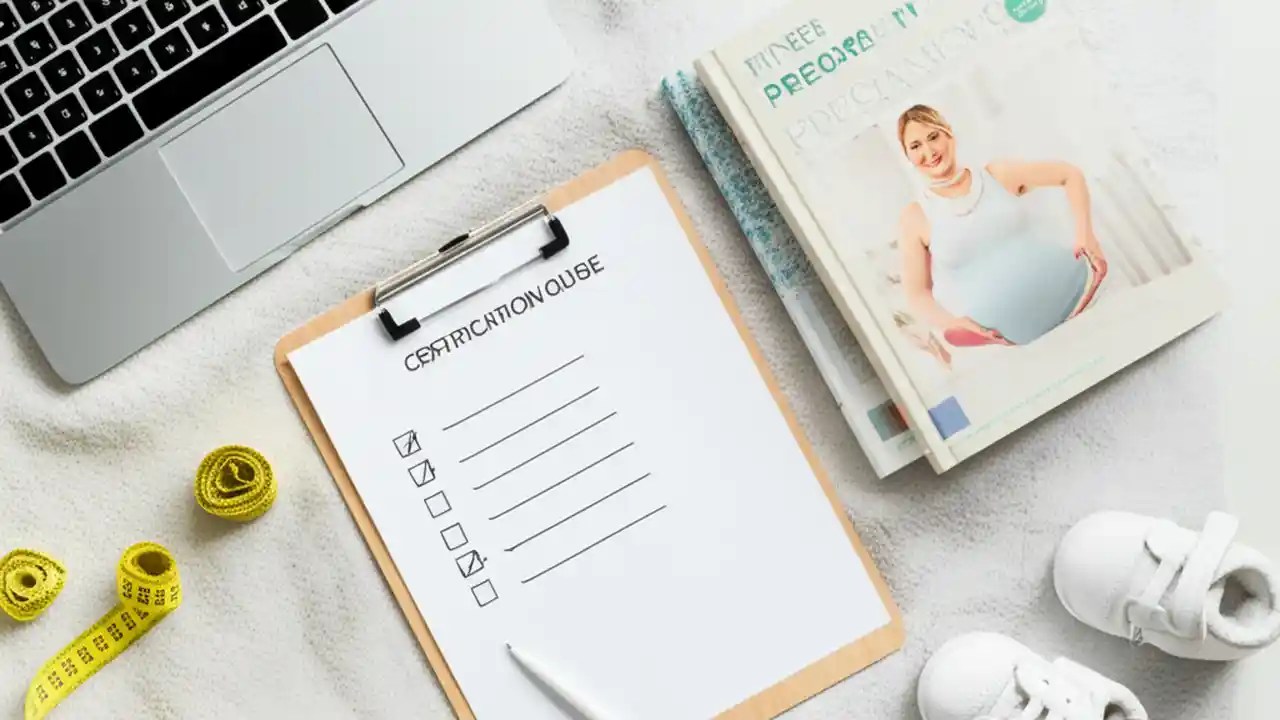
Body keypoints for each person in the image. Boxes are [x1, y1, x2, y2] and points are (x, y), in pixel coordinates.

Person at [897, 104, 1108, 347]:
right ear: (908, 156)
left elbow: (1069, 174)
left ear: (949, 134)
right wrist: (953, 323)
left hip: (1083, 295)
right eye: (916, 146)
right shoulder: (914, 218)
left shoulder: (997, 174)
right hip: (1015, 342)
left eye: (933, 137)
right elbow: (916, 294)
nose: (929, 150)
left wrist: (1085, 235)